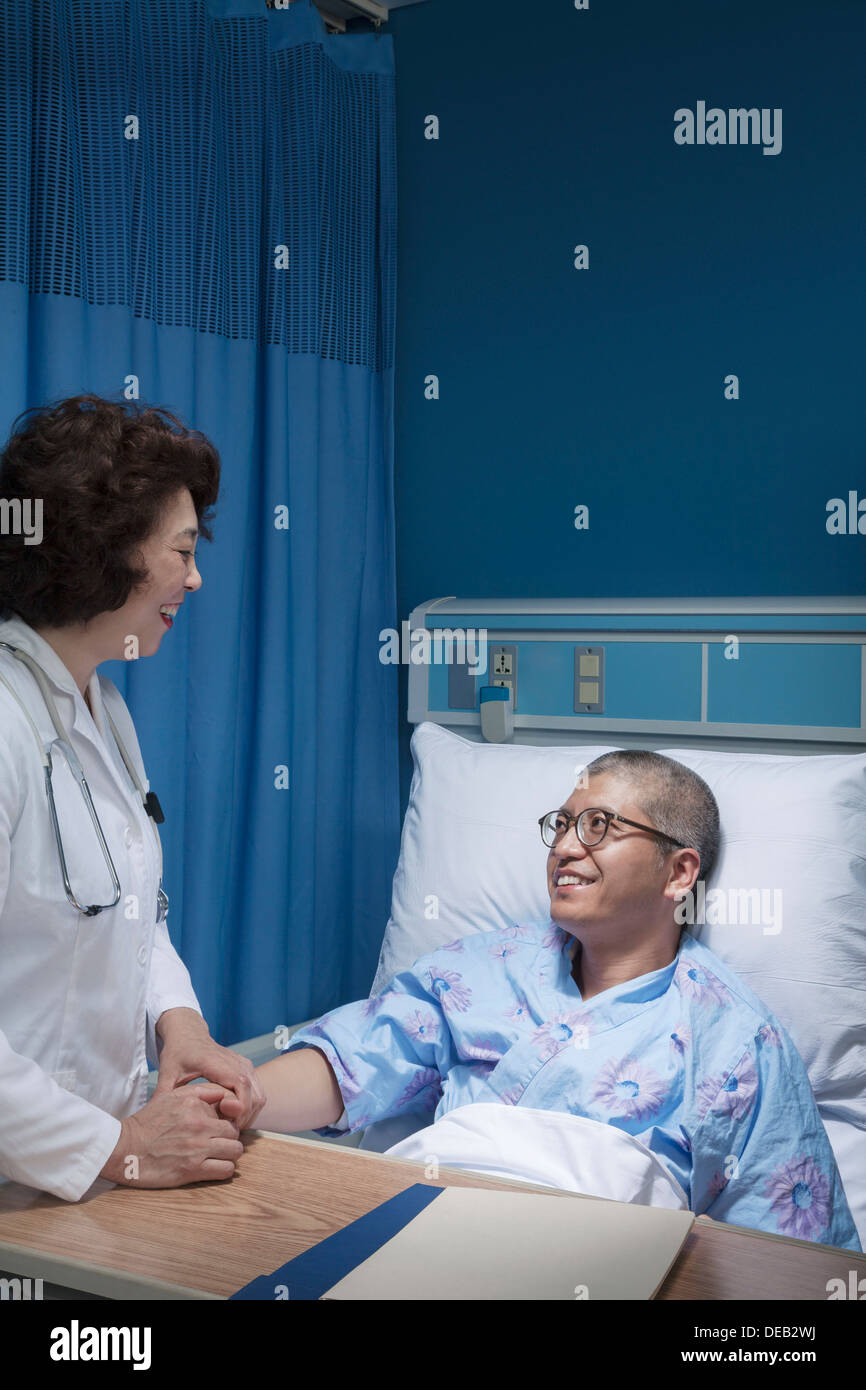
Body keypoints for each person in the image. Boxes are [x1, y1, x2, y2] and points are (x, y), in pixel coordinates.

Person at [253, 749, 861, 1251]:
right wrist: (234, 1100)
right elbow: (355, 1059)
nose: (565, 848)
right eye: (563, 824)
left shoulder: (736, 1039)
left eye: (598, 826)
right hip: (418, 1239)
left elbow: (788, 1261)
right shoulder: (481, 968)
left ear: (679, 873)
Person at [0, 393, 264, 1203]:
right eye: (181, 551)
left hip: (90, 1184)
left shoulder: (99, 708)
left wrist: (178, 1022)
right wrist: (118, 1146)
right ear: (106, 552)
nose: (195, 576)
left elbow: (127, 910)